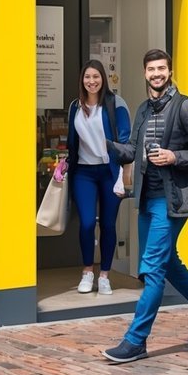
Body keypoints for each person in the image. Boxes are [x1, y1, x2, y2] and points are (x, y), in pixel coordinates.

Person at [102, 49, 188, 364]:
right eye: (151, 69)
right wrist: (101, 144)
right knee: (168, 263)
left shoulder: (186, 107)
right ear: (144, 73)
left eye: (161, 68)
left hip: (174, 201)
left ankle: (135, 341)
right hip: (147, 198)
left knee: (153, 270)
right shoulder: (143, 109)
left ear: (169, 72)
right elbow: (132, 149)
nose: (156, 74)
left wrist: (175, 157)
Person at [65, 60, 131, 296]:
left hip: (109, 172)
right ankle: (87, 272)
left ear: (103, 78)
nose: (91, 81)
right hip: (83, 171)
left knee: (108, 224)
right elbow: (73, 142)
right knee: (86, 223)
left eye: (96, 77)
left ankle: (104, 275)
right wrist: (65, 164)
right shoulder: (75, 106)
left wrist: (124, 174)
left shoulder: (115, 104)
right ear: (82, 80)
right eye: (87, 77)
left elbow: (124, 142)